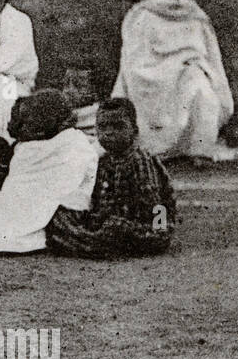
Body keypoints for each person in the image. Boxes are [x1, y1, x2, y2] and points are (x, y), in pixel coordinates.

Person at [111, 0, 238, 162]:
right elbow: (210, 55)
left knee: (199, 89)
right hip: (179, 73)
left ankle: (186, 147)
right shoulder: (193, 14)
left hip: (176, 74)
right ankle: (197, 148)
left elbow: (133, 59)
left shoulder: (141, 15)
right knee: (200, 87)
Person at [0, 90, 99, 256]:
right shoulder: (25, 148)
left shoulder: (72, 143)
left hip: (60, 207)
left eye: (27, 123)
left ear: (46, 123)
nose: (21, 129)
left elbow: (70, 179)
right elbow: (17, 185)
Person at [47, 98, 177, 258]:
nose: (109, 132)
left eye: (118, 126)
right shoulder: (103, 160)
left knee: (114, 228)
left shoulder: (140, 160)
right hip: (110, 221)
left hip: (140, 228)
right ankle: (89, 242)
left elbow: (156, 206)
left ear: (135, 131)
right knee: (61, 216)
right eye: (102, 127)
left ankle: (88, 244)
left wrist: (158, 234)